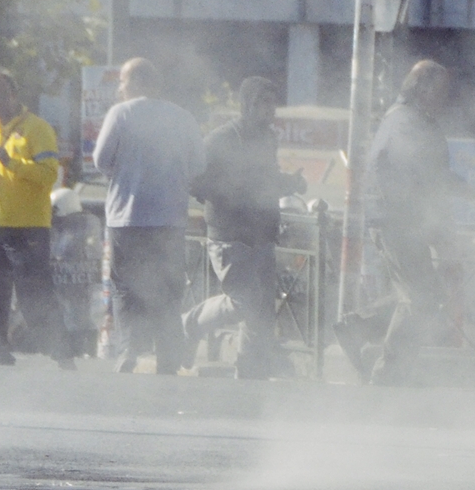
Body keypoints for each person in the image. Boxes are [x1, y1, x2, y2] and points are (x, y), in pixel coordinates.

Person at [336, 60, 461, 386]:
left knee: (422, 294)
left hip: (398, 220)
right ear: (423, 88)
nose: (445, 97)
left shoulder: (406, 119)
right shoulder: (407, 122)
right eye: (441, 90)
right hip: (399, 221)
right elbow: (422, 176)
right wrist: (445, 214)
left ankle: (358, 327)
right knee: (420, 299)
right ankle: (388, 374)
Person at [179, 76, 302, 378]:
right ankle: (189, 325)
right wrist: (229, 192)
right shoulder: (220, 139)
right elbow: (194, 180)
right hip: (229, 234)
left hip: (263, 232)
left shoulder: (268, 138)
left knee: (260, 311)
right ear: (247, 104)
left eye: (273, 103)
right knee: (244, 301)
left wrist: (291, 183)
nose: (271, 109)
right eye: (264, 102)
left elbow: (267, 181)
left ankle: (250, 372)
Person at [94, 57, 205, 375]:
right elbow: (198, 164)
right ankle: (168, 355)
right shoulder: (183, 117)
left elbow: (101, 159)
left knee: (125, 286)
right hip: (169, 219)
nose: (120, 88)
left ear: (138, 82)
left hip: (127, 217)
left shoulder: (121, 113)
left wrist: (126, 171)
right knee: (167, 288)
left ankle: (129, 350)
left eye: (123, 81)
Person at [0, 69, 73, 369]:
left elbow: (49, 175)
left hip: (28, 228)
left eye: (0, 96)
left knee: (34, 295)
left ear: (14, 95)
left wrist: (12, 163)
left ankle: (62, 354)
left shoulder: (37, 128)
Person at [50, 187, 102, 358]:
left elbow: (65, 250)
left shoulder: (85, 225)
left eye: (54, 210)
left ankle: (82, 349)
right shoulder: (86, 224)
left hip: (78, 282)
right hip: (68, 282)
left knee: (81, 316)